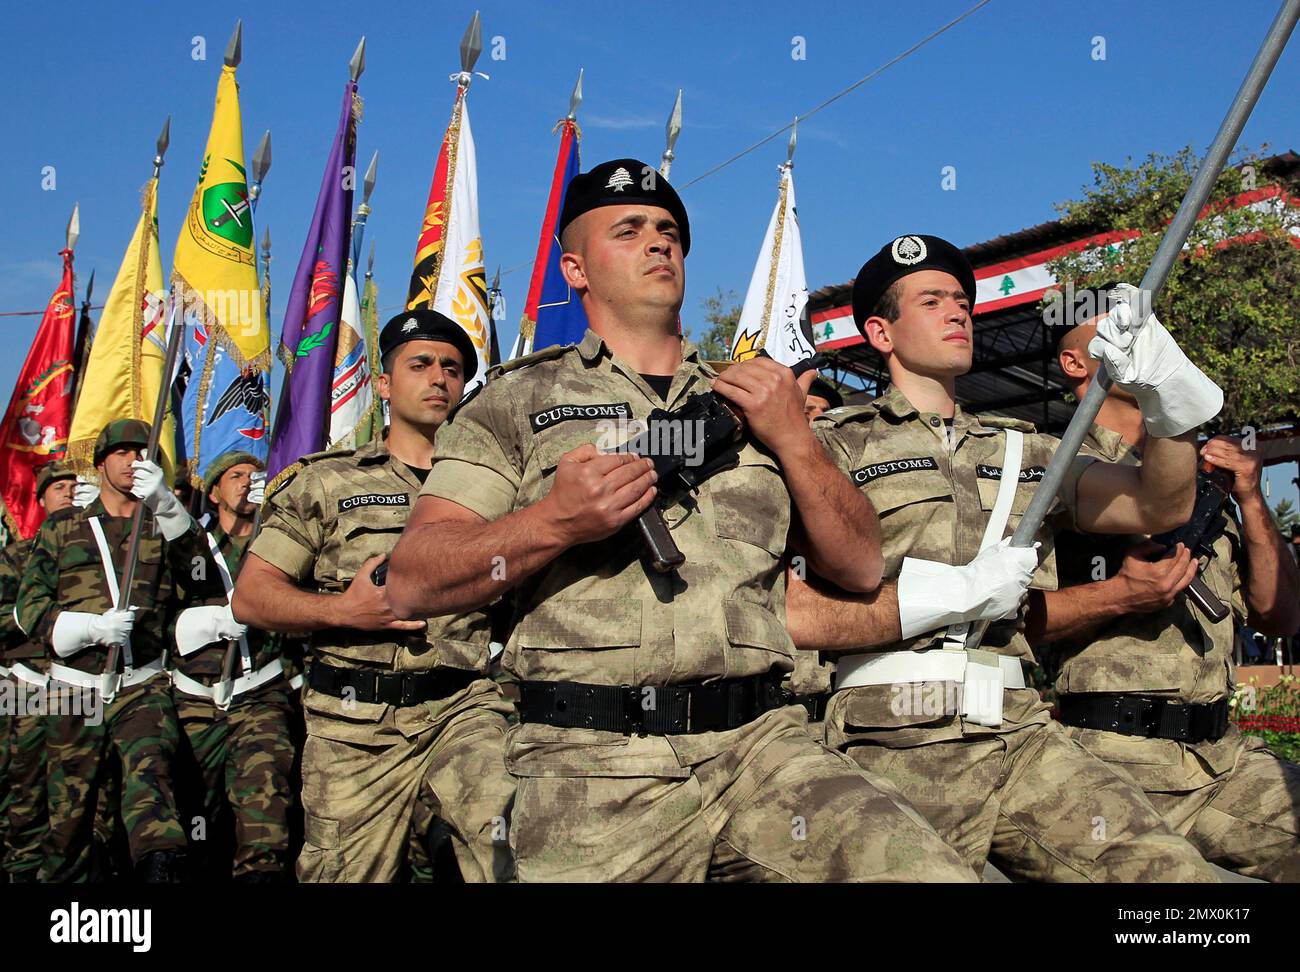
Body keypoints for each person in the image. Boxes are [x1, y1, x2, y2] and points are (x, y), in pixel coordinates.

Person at [386, 160, 976, 883]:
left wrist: (793, 437)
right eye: (628, 230)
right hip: (592, 764)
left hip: (765, 751)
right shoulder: (514, 402)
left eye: (669, 231)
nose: (658, 242)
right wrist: (555, 522)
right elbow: (414, 580)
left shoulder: (754, 398)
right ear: (575, 267)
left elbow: (855, 565)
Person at [786, 238, 1222, 881]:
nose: (958, 313)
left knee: (1173, 884)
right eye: (931, 301)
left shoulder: (1031, 450)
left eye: (962, 301)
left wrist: (1172, 406)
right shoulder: (829, 447)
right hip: (888, 732)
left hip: (1017, 728)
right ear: (880, 331)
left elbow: (1158, 506)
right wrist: (947, 597)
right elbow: (795, 615)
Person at [232, 309, 516, 883]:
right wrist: (343, 610)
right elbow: (252, 598)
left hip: (462, 711)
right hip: (353, 730)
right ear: (384, 384)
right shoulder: (325, 481)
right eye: (421, 365)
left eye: (453, 368)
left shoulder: (498, 490)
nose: (439, 377)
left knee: (505, 841)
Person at [1028, 297, 1300, 881]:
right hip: (1108, 756)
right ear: (1077, 363)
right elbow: (1010, 623)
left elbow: (1280, 618)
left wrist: (1251, 501)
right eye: (1115, 334)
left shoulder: (1208, 479)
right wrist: (1118, 597)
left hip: (1219, 758)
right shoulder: (1049, 469)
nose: (1139, 341)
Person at [16, 420, 198, 882]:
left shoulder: (162, 524)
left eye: (143, 451)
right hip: (74, 690)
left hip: (142, 686)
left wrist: (170, 506)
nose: (134, 459)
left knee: (151, 786)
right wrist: (89, 628)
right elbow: (28, 609)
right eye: (122, 452)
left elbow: (199, 578)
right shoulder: (64, 526)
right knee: (70, 818)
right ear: (100, 465)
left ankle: (161, 874)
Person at [170, 451, 295, 881]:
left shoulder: (276, 544)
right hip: (197, 699)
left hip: (260, 694)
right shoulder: (190, 545)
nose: (246, 481)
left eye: (253, 475)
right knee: (193, 817)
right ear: (214, 490)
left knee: (265, 808)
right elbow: (159, 614)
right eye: (235, 475)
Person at [0, 460, 77, 881]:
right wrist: (38, 616)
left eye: (72, 486)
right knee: (25, 789)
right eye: (58, 487)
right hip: (28, 682)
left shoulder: (99, 550)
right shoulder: (16, 557)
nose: (67, 492)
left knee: (79, 793)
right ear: (42, 500)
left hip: (79, 685)